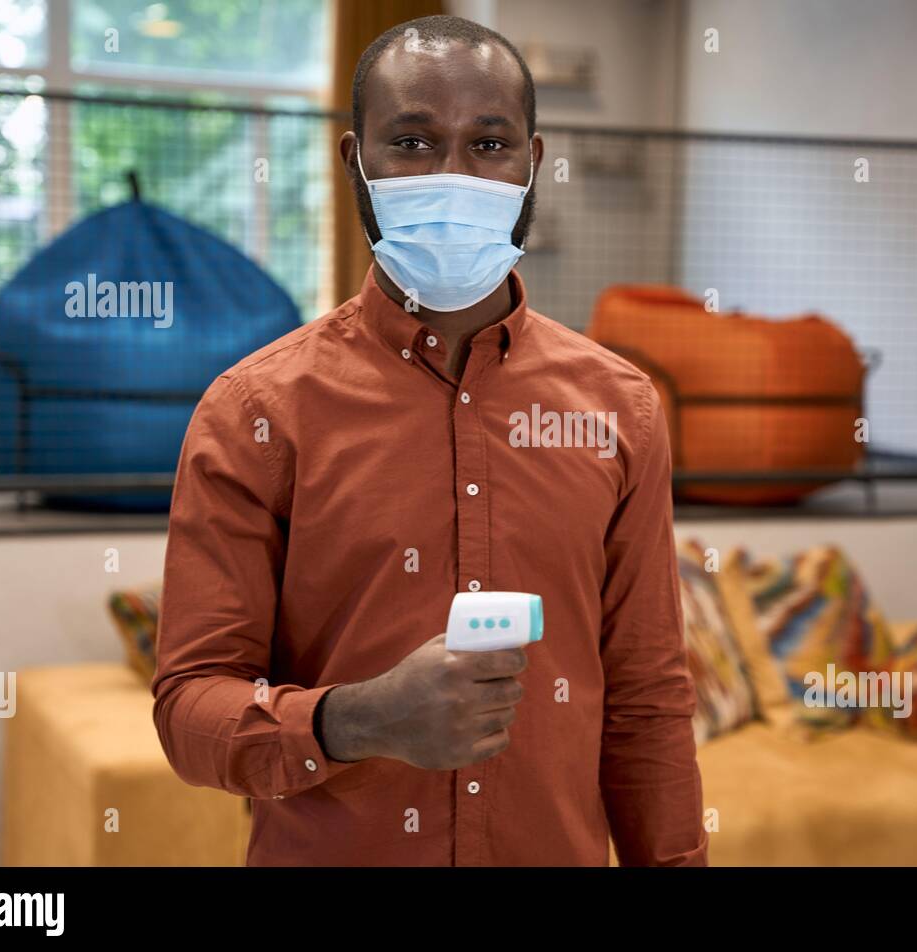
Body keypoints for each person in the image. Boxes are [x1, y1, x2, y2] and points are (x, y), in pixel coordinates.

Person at [152, 14, 707, 867]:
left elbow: (647, 703)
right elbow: (190, 707)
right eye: (412, 142)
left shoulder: (620, 408)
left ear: (533, 163)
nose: (453, 176)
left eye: (488, 146)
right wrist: (358, 718)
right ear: (355, 163)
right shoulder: (256, 413)